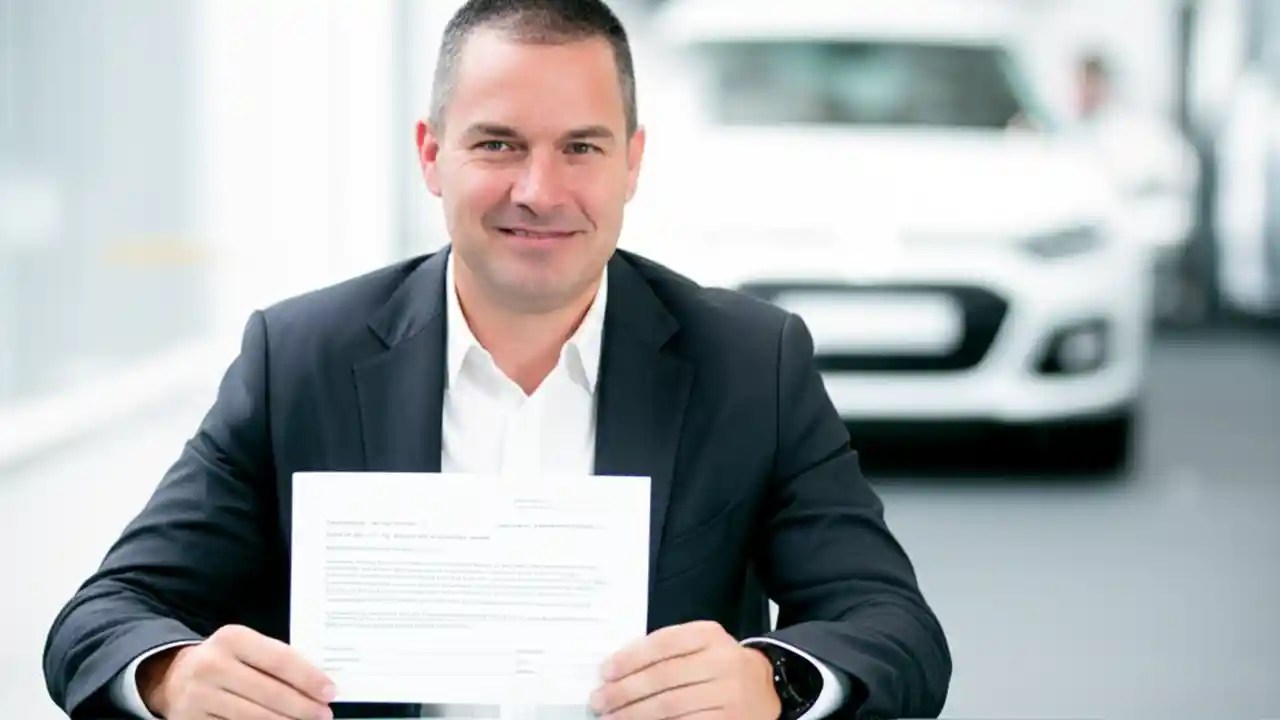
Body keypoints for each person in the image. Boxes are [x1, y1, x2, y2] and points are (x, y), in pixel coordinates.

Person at [42, 1, 951, 718]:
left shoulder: (750, 364)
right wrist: (172, 676)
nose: (538, 190)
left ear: (632, 163)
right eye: (498, 144)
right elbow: (102, 617)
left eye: (581, 148)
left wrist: (774, 681)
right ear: (431, 154)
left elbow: (896, 630)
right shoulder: (300, 359)